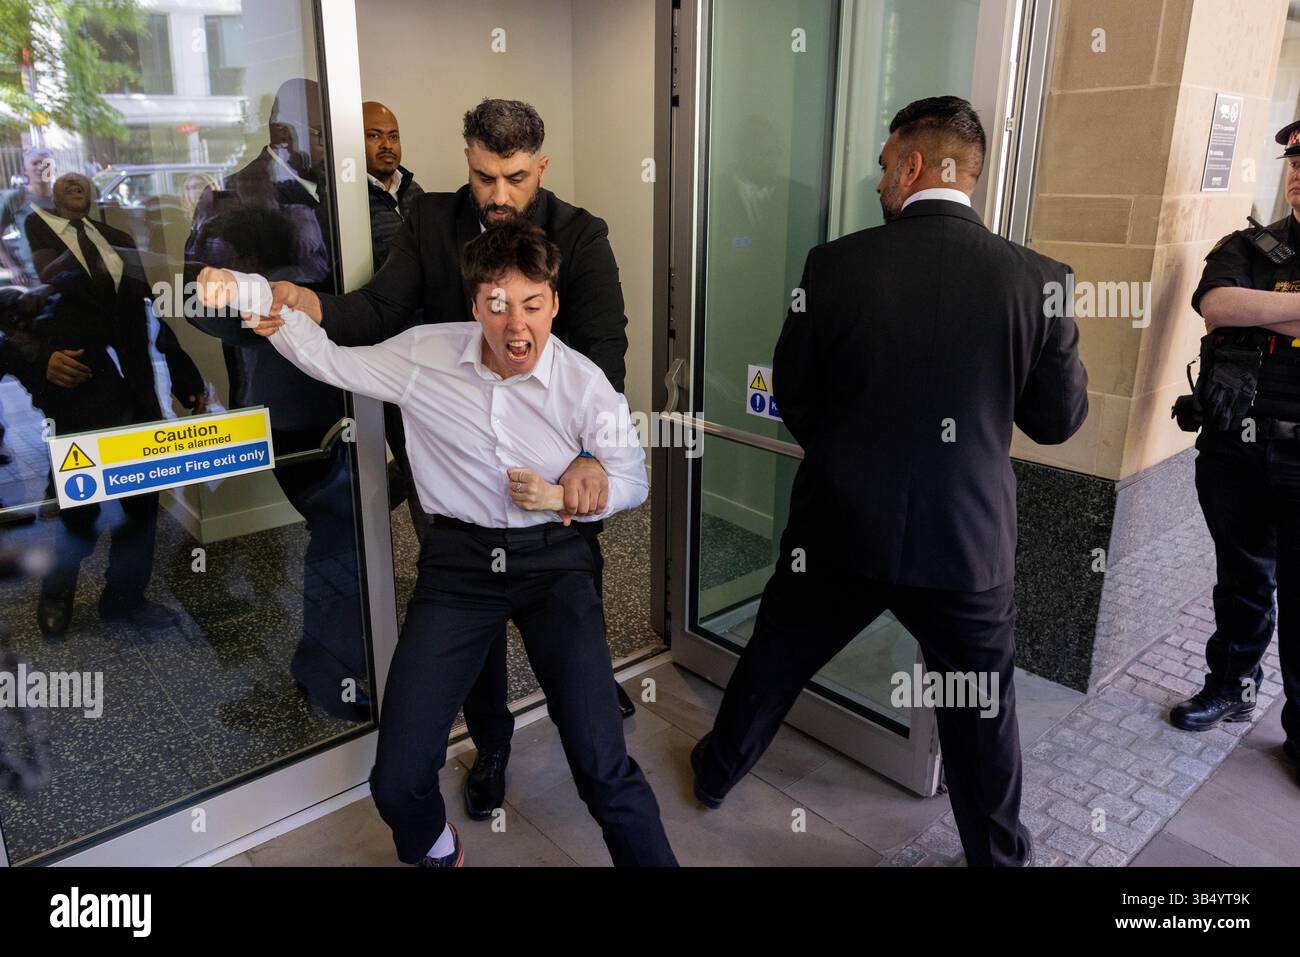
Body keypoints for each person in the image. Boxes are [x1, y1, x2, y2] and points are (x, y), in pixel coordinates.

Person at [197, 220, 677, 867]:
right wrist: (249, 291)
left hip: (554, 563)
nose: (517, 327)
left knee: (600, 763)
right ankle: (438, 851)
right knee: (395, 778)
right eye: (498, 305)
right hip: (459, 568)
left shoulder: (583, 383)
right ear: (475, 302)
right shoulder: (425, 353)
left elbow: (633, 479)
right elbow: (331, 357)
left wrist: (569, 494)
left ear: (553, 302)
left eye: (533, 304)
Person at [690, 96, 1089, 867]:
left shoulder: (833, 264)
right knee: (982, 718)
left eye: (882, 165)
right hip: (965, 546)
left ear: (913, 164)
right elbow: (1056, 421)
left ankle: (713, 774)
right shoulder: (1041, 279)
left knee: (774, 657)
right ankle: (999, 861)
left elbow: (795, 392)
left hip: (840, 527)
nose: (878, 182)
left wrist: (848, 455)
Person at [260, 98, 635, 821]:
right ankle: (491, 744)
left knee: (569, 592)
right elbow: (376, 313)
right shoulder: (431, 221)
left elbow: (605, 355)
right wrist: (309, 303)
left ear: (541, 167)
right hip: (454, 481)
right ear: (467, 159)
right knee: (470, 623)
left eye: (515, 178)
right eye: (485, 176)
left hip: (554, 481)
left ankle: (582, 701)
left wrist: (590, 455)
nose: (498, 196)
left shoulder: (582, 236)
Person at [184, 78, 370, 723]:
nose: (332, 142)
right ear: (282, 132)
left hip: (367, 393)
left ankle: (355, 653)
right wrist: (260, 306)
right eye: (320, 131)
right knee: (343, 528)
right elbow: (197, 306)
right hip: (294, 407)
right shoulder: (232, 196)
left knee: (358, 528)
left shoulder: (349, 190)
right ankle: (333, 677)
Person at [19, 172, 204, 636]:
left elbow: (149, 311)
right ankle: (57, 591)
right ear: (40, 190)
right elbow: (8, 317)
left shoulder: (117, 239)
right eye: (58, 176)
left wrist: (182, 372)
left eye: (80, 175)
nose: (72, 179)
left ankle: (124, 597)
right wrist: (41, 359)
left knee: (142, 497)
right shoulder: (25, 241)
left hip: (136, 387)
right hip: (77, 389)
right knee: (77, 498)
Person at [1175, 118, 1300, 785]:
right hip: (1239, 452)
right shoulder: (1247, 246)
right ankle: (1228, 690)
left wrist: (1272, 311)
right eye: (1295, 160)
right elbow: (1218, 304)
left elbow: (1243, 311)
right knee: (1243, 581)